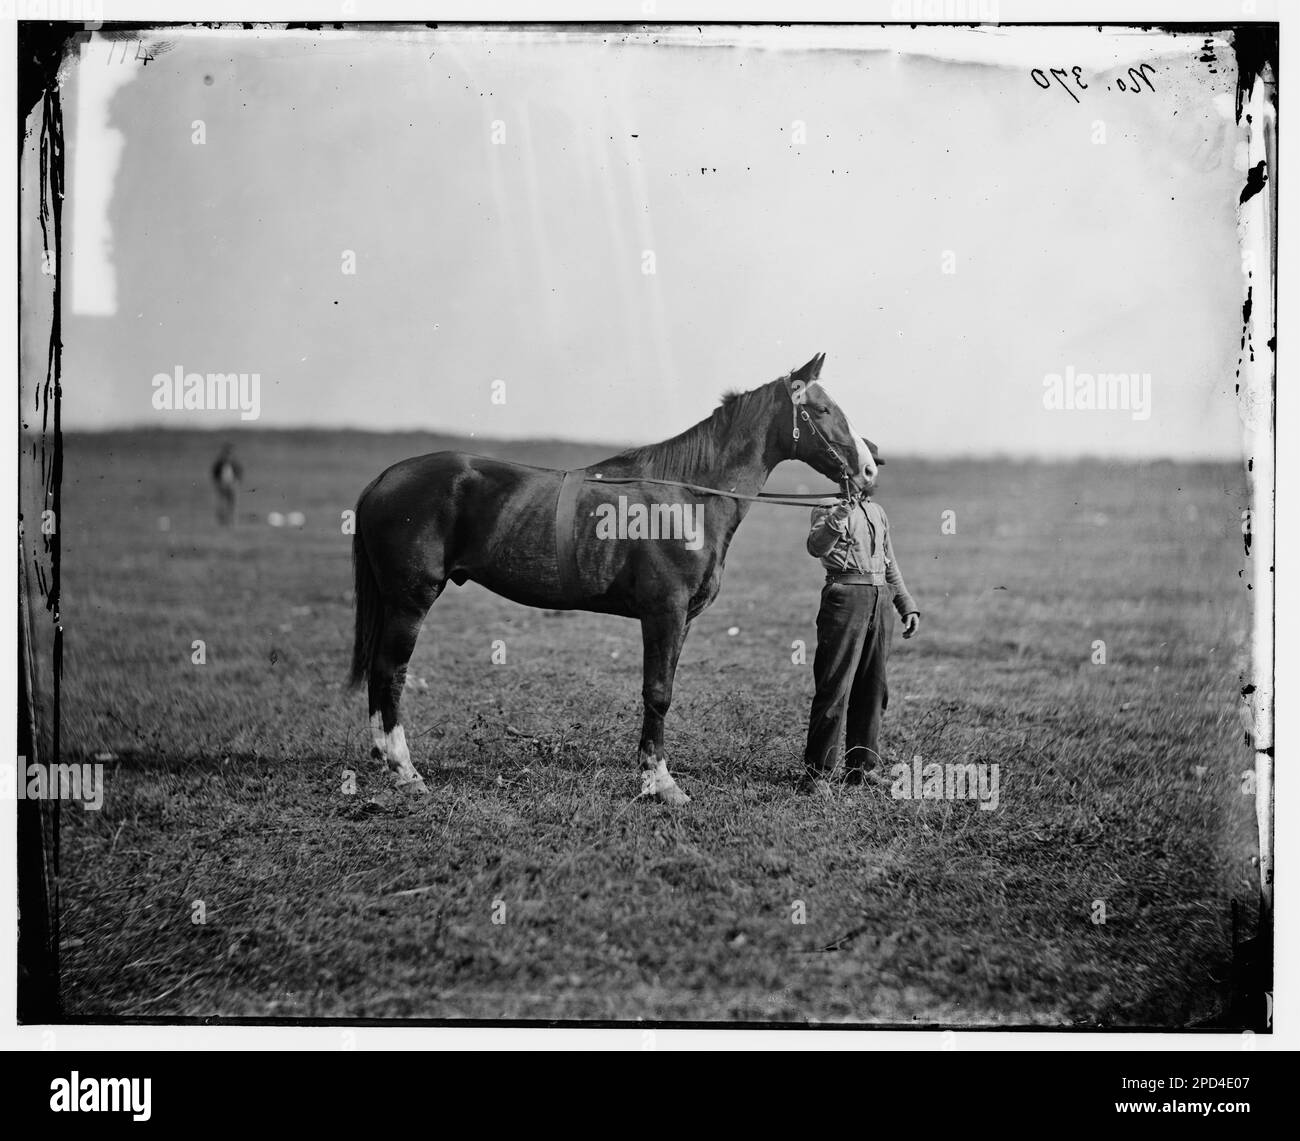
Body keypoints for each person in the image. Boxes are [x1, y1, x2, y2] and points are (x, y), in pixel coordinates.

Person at [800, 438, 920, 795]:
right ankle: (817, 774)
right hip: (844, 596)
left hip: (879, 597)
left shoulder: (878, 512)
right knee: (835, 685)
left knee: (874, 687)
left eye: (874, 468)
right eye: (866, 467)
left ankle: (861, 769)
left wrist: (906, 605)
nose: (871, 475)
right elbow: (815, 547)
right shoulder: (826, 507)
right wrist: (838, 516)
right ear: (845, 471)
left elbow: (890, 563)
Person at [212, 443, 243, 526]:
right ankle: (222, 523)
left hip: (232, 487)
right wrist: (218, 484)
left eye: (230, 453)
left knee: (233, 506)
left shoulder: (235, 464)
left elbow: (239, 474)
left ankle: (233, 522)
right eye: (227, 453)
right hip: (222, 487)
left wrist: (236, 483)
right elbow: (214, 475)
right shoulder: (219, 464)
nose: (228, 455)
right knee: (221, 505)